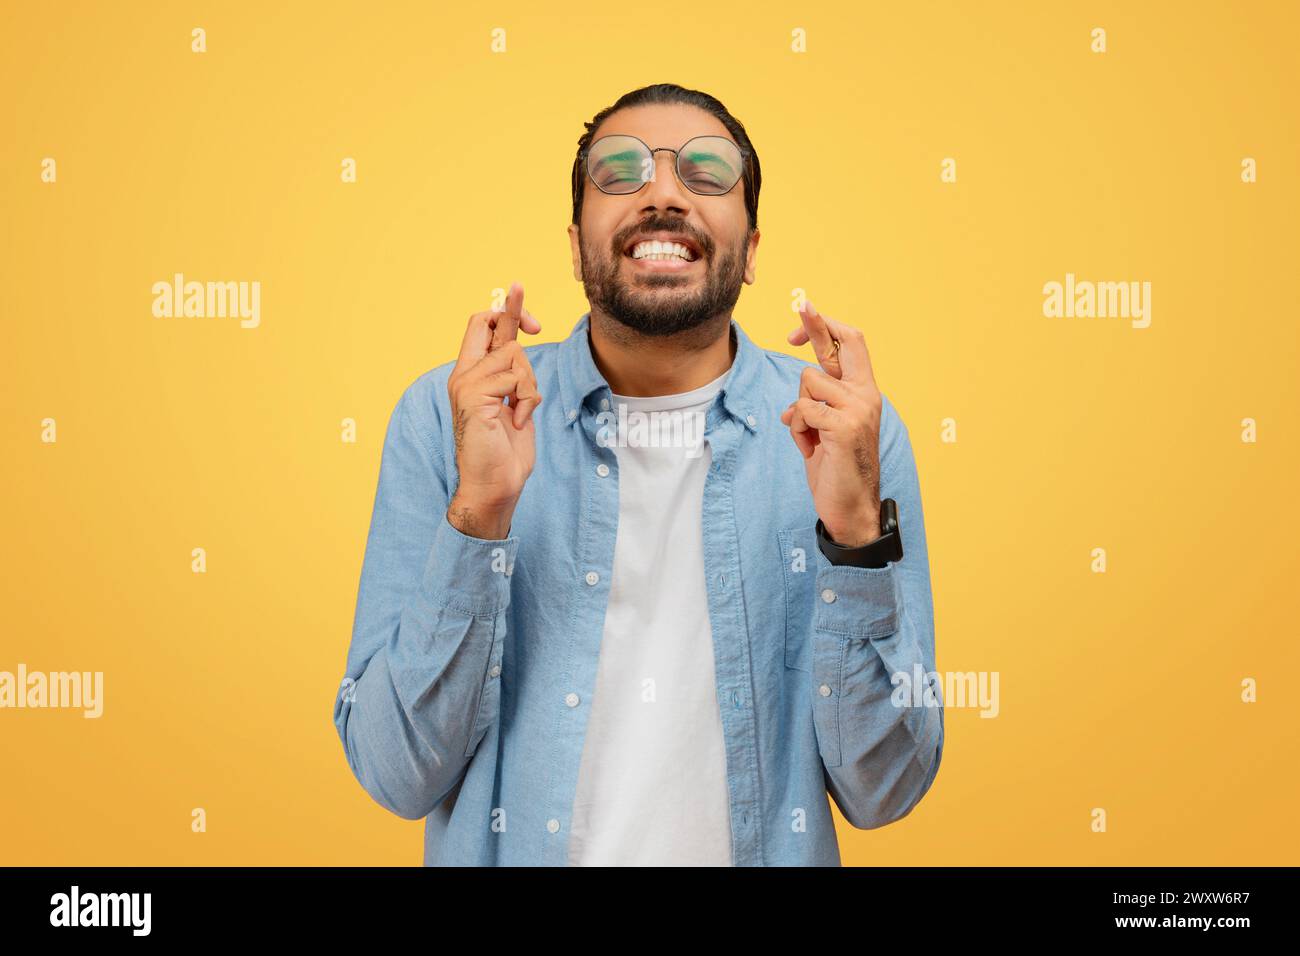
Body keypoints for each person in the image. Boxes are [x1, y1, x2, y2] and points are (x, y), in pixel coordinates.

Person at [333, 82, 943, 866]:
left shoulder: (847, 429)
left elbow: (885, 789)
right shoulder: (450, 416)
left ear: (751, 248)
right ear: (577, 242)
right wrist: (479, 512)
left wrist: (856, 539)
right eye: (618, 172)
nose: (661, 192)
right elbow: (394, 773)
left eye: (707, 172)